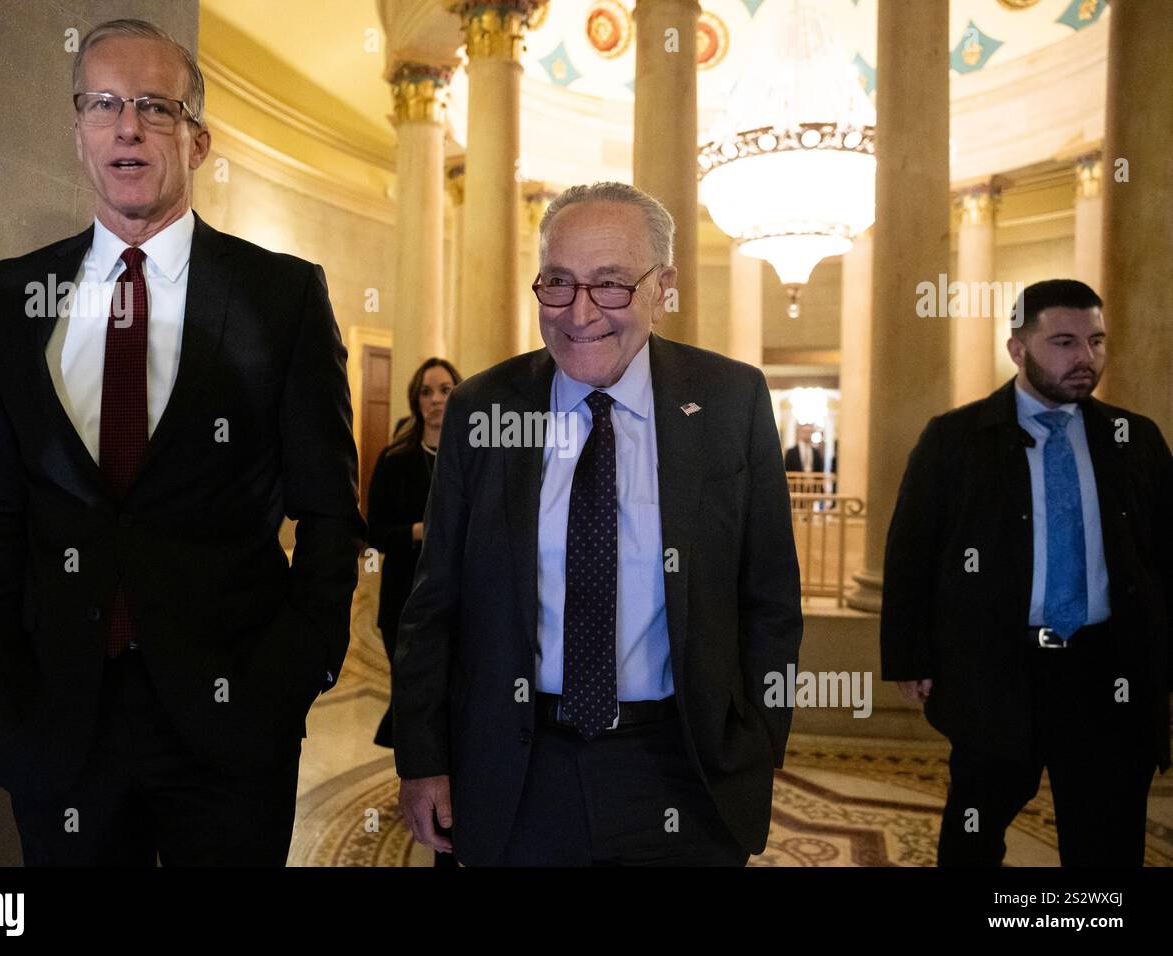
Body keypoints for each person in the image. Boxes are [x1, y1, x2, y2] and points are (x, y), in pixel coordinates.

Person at [0, 19, 363, 865]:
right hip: (60, 719)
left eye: (155, 105)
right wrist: (1, 664)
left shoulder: (280, 297)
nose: (128, 126)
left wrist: (295, 671)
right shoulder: (5, 298)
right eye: (103, 104)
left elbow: (329, 512)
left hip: (229, 726)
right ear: (78, 132)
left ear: (199, 138)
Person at [394, 182, 802, 866]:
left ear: (662, 288)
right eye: (558, 283)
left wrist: (757, 739)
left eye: (610, 285)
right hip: (517, 770)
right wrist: (423, 757)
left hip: (682, 768)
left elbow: (769, 599)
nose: (579, 314)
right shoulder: (482, 408)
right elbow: (435, 603)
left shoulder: (732, 401)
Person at [881, 278, 1172, 867]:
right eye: (1064, 341)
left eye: (1096, 341)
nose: (1085, 358)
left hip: (1107, 671)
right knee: (974, 832)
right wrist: (911, 656)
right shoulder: (955, 439)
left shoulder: (1133, 439)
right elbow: (912, 551)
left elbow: (1165, 555)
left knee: (1108, 840)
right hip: (999, 669)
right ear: (1017, 348)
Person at [367, 357, 461, 749]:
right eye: (427, 391)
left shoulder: (472, 452)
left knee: (453, 698)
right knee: (413, 697)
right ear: (415, 400)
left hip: (459, 599)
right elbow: (374, 533)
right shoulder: (395, 460)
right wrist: (419, 531)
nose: (436, 399)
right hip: (404, 599)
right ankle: (415, 781)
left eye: (445, 389)